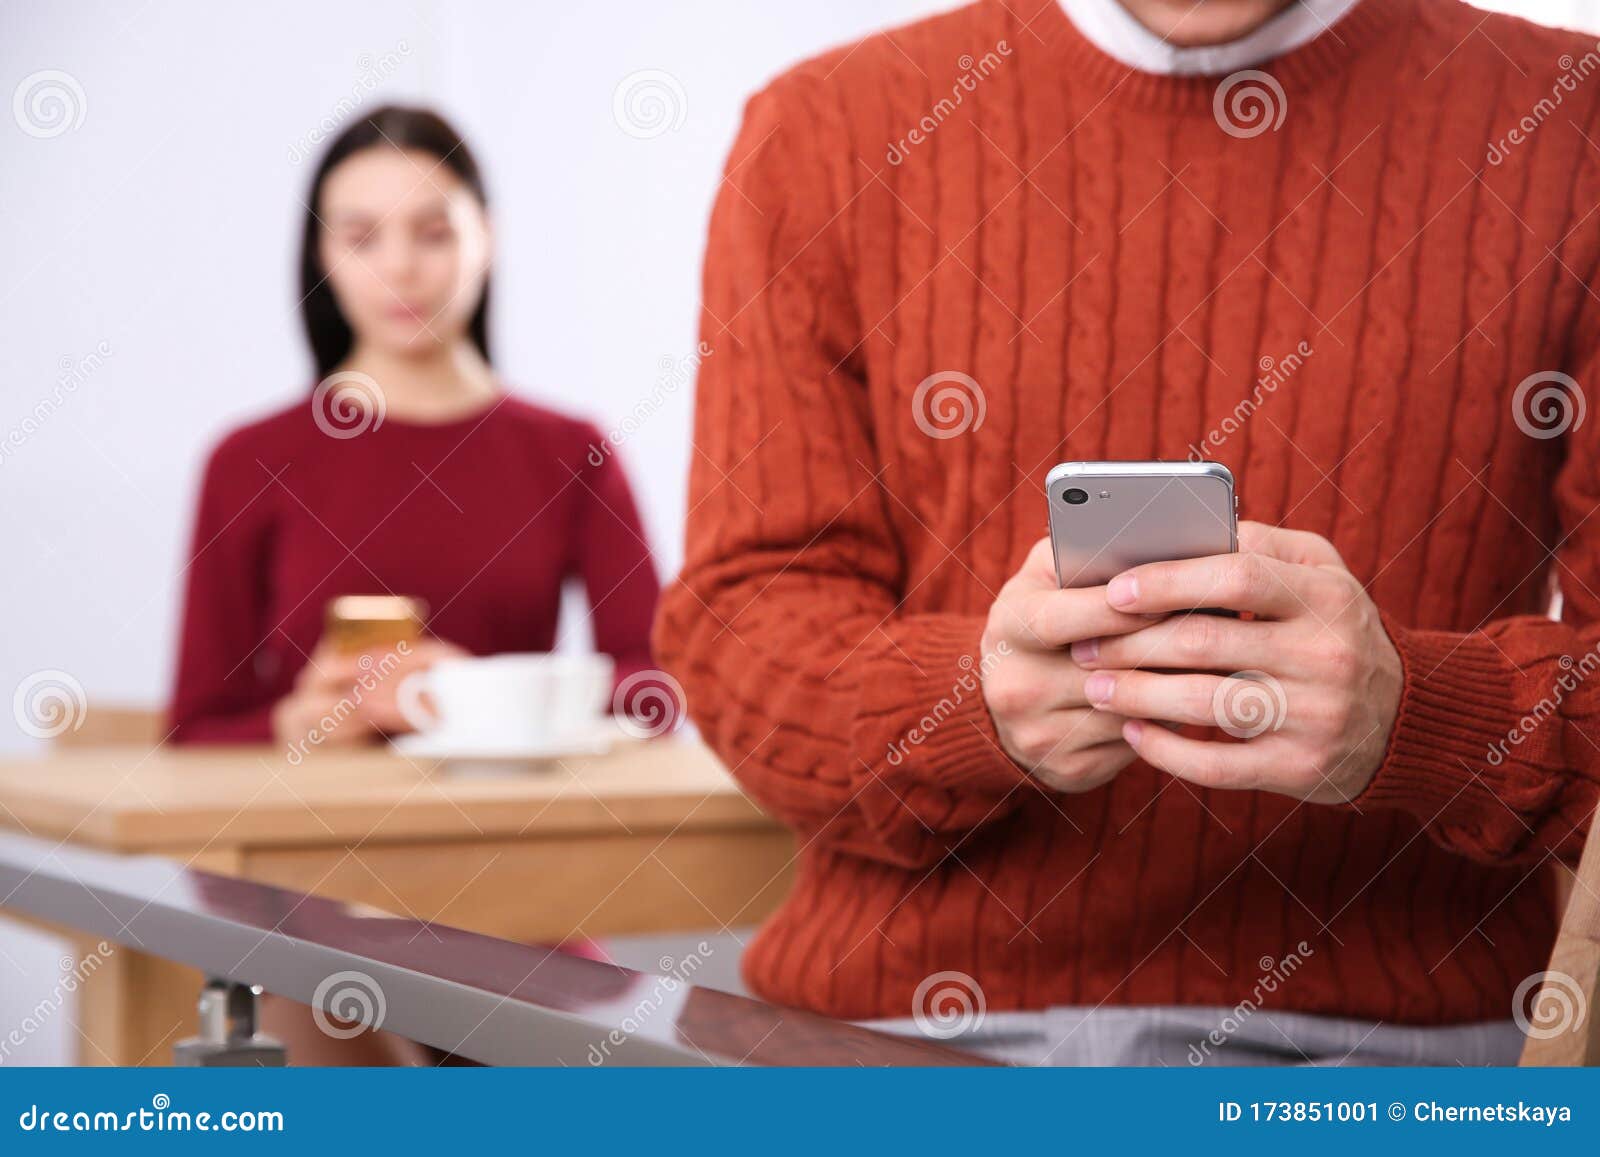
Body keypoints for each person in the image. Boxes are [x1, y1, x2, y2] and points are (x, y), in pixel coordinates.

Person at [655, 0, 1600, 1065]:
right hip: (901, 1043)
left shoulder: (1574, 123)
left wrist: (1421, 719)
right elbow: (741, 628)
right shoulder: (823, 132)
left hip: (1390, 1054)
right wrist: (965, 708)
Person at [167, 105, 662, 751]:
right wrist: (290, 727)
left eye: (433, 233)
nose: (399, 267)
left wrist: (483, 697)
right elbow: (194, 730)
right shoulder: (248, 460)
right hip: (309, 814)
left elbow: (653, 691)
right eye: (361, 238)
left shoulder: (574, 452)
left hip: (510, 813)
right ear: (322, 255)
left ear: (487, 238)